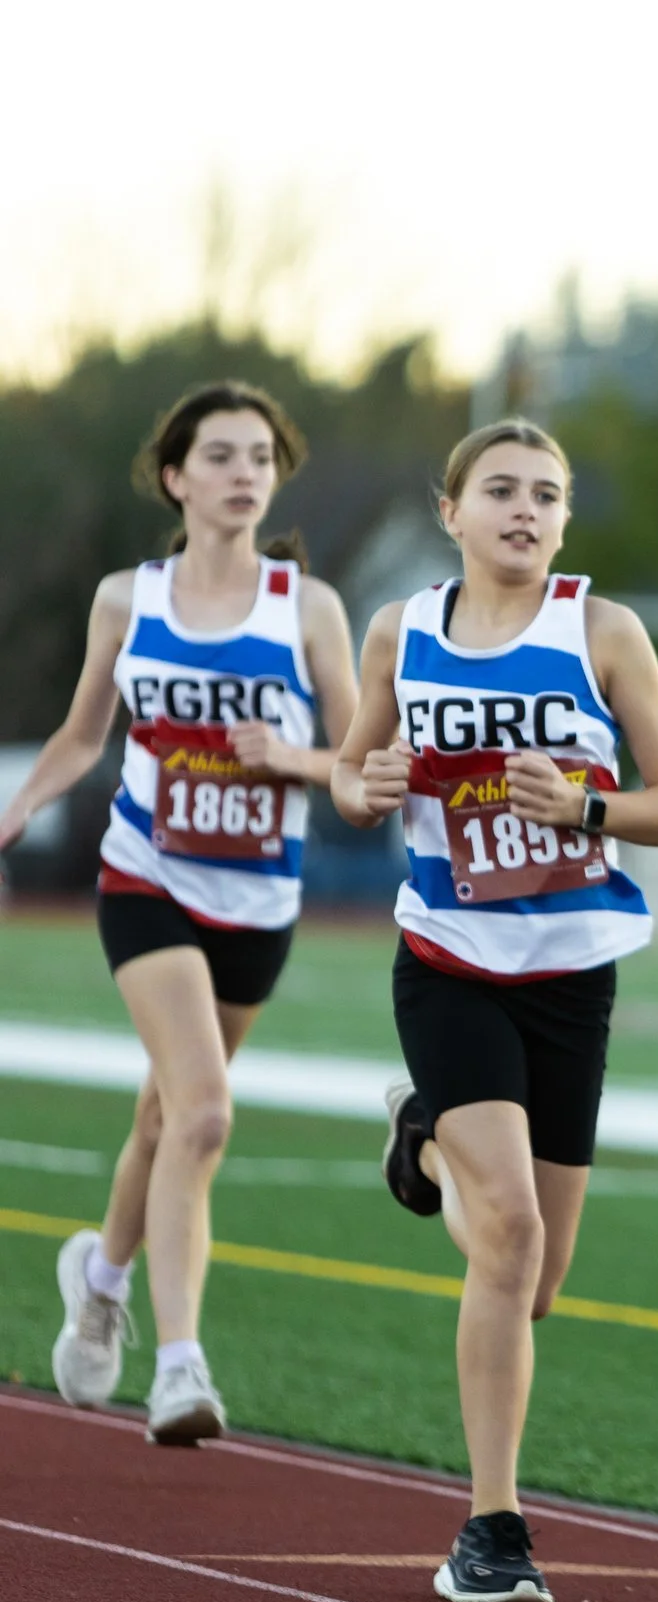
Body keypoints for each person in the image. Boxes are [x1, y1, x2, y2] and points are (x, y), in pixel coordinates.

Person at [328, 419, 658, 1602]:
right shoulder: (400, 630)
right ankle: (492, 1526)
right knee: (506, 1236)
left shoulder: (601, 632)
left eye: (546, 494)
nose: (525, 510)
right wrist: (365, 782)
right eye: (500, 490)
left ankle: (421, 1140)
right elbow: (348, 773)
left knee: (536, 1275)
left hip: (570, 974)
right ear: (452, 511)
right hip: (447, 957)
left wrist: (590, 808)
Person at [2, 383, 358, 1444]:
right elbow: (79, 733)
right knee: (204, 1113)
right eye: (221, 455)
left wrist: (288, 756)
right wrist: (17, 806)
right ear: (176, 476)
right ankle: (180, 1367)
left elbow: (357, 763)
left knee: (164, 1116)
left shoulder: (310, 607)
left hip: (259, 900)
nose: (244, 473)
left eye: (260, 457)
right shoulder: (129, 599)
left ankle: (100, 1272)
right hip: (147, 877)